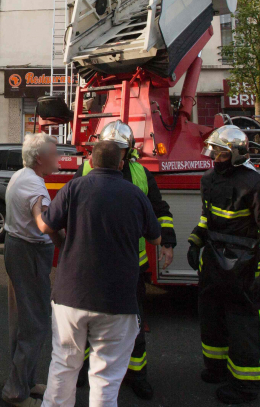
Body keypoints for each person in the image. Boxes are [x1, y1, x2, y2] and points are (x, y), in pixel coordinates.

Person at [32, 140, 162, 407]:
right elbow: (157, 238)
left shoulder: (74, 187)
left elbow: (46, 226)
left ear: (91, 162)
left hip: (71, 297)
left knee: (63, 365)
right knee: (105, 378)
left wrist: (37, 210)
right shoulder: (135, 194)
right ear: (122, 164)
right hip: (117, 301)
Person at [72, 121, 175, 400]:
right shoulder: (84, 170)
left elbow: (160, 209)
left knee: (134, 322)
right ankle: (81, 368)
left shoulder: (141, 173)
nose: (116, 154)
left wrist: (167, 242)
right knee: (86, 319)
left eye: (121, 149)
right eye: (112, 148)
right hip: (93, 262)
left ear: (129, 151)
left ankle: (136, 374)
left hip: (132, 264)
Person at [186, 125, 260, 405]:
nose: (213, 158)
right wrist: (195, 241)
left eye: (220, 153)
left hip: (244, 264)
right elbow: (208, 218)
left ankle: (245, 385)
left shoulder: (256, 185)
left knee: (242, 324)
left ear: (236, 154)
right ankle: (216, 368)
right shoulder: (208, 180)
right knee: (211, 316)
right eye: (213, 152)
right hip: (214, 261)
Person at [1, 133, 62, 407]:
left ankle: (25, 381)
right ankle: (16, 393)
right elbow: (43, 224)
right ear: (40, 158)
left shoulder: (22, 175)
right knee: (35, 324)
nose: (58, 158)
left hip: (17, 249)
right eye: (54, 153)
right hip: (30, 254)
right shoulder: (36, 187)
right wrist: (67, 245)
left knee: (23, 322)